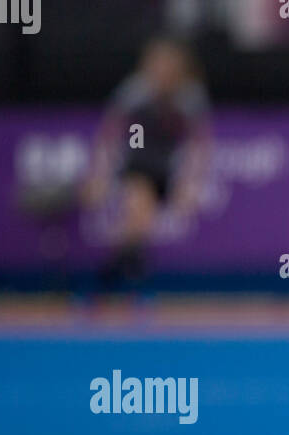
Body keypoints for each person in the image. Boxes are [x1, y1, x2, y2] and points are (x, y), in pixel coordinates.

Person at [81, 36, 210, 289]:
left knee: (138, 223)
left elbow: (201, 144)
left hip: (167, 169)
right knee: (140, 208)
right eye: (156, 66)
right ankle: (126, 272)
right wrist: (98, 174)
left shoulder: (190, 97)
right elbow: (108, 134)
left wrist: (191, 182)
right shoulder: (134, 92)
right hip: (137, 162)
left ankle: (122, 264)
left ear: (179, 69)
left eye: (168, 67)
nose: (161, 73)